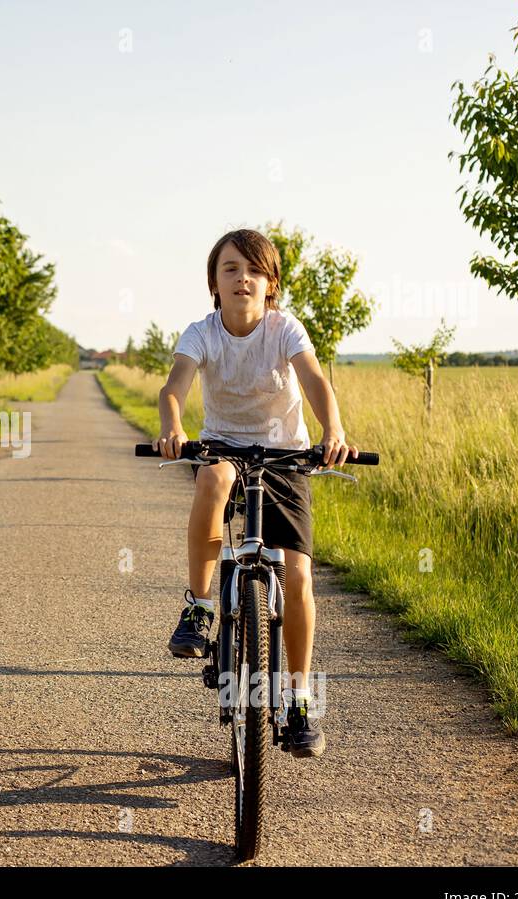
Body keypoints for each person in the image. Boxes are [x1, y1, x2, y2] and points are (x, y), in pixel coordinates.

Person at [152, 228, 363, 757]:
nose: (241, 278)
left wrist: (331, 432)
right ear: (214, 283)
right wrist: (173, 428)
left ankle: (298, 698)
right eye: (229, 269)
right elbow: (173, 387)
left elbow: (315, 381)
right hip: (224, 445)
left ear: (270, 284)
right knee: (215, 477)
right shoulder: (202, 332)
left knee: (297, 573)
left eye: (253, 270)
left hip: (285, 455)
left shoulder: (284, 328)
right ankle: (200, 606)